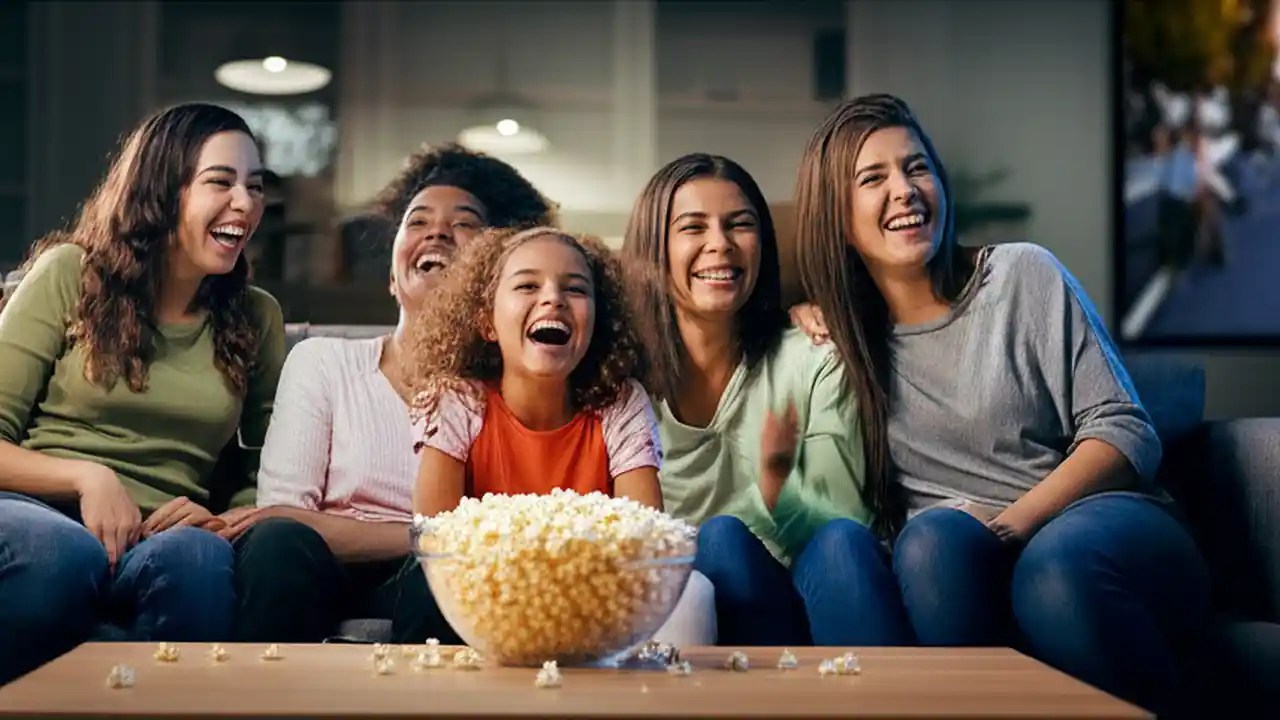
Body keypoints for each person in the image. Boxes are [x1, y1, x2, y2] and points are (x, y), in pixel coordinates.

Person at [789, 93, 1210, 715]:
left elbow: (1125, 432)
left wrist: (1010, 525)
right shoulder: (840, 349)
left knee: (1052, 570)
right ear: (836, 217)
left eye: (916, 167)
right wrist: (800, 308)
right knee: (931, 543)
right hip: (956, 562)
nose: (903, 190)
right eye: (872, 178)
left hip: (1103, 527)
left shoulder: (1021, 275)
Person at [0, 103, 285, 684]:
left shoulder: (256, 316)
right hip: (35, 509)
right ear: (162, 189)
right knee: (65, 554)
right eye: (220, 181)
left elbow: (270, 463)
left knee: (199, 563)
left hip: (161, 531)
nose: (246, 203)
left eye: (255, 187)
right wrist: (87, 477)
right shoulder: (69, 274)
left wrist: (220, 516)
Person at [229, 144, 557, 643]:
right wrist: (425, 534)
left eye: (464, 223)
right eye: (417, 221)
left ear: (496, 278)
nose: (437, 231)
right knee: (278, 545)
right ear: (391, 275)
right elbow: (283, 517)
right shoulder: (322, 362)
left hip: (428, 579)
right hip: (317, 570)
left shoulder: (508, 392)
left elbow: (491, 540)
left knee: (449, 573)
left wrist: (430, 543)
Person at [620, 153, 911, 647]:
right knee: (721, 543)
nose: (721, 244)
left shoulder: (814, 355)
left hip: (809, 594)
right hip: (679, 616)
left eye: (740, 225)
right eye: (693, 228)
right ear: (654, 249)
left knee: (824, 542)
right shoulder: (621, 381)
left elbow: (842, 522)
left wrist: (781, 492)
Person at [410, 226, 722, 643]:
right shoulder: (458, 402)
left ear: (597, 321)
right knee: (418, 588)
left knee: (693, 592)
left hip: (593, 596)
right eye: (527, 285)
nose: (553, 297)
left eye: (575, 289)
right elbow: (436, 540)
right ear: (486, 321)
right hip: (479, 598)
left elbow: (643, 541)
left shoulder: (620, 405)